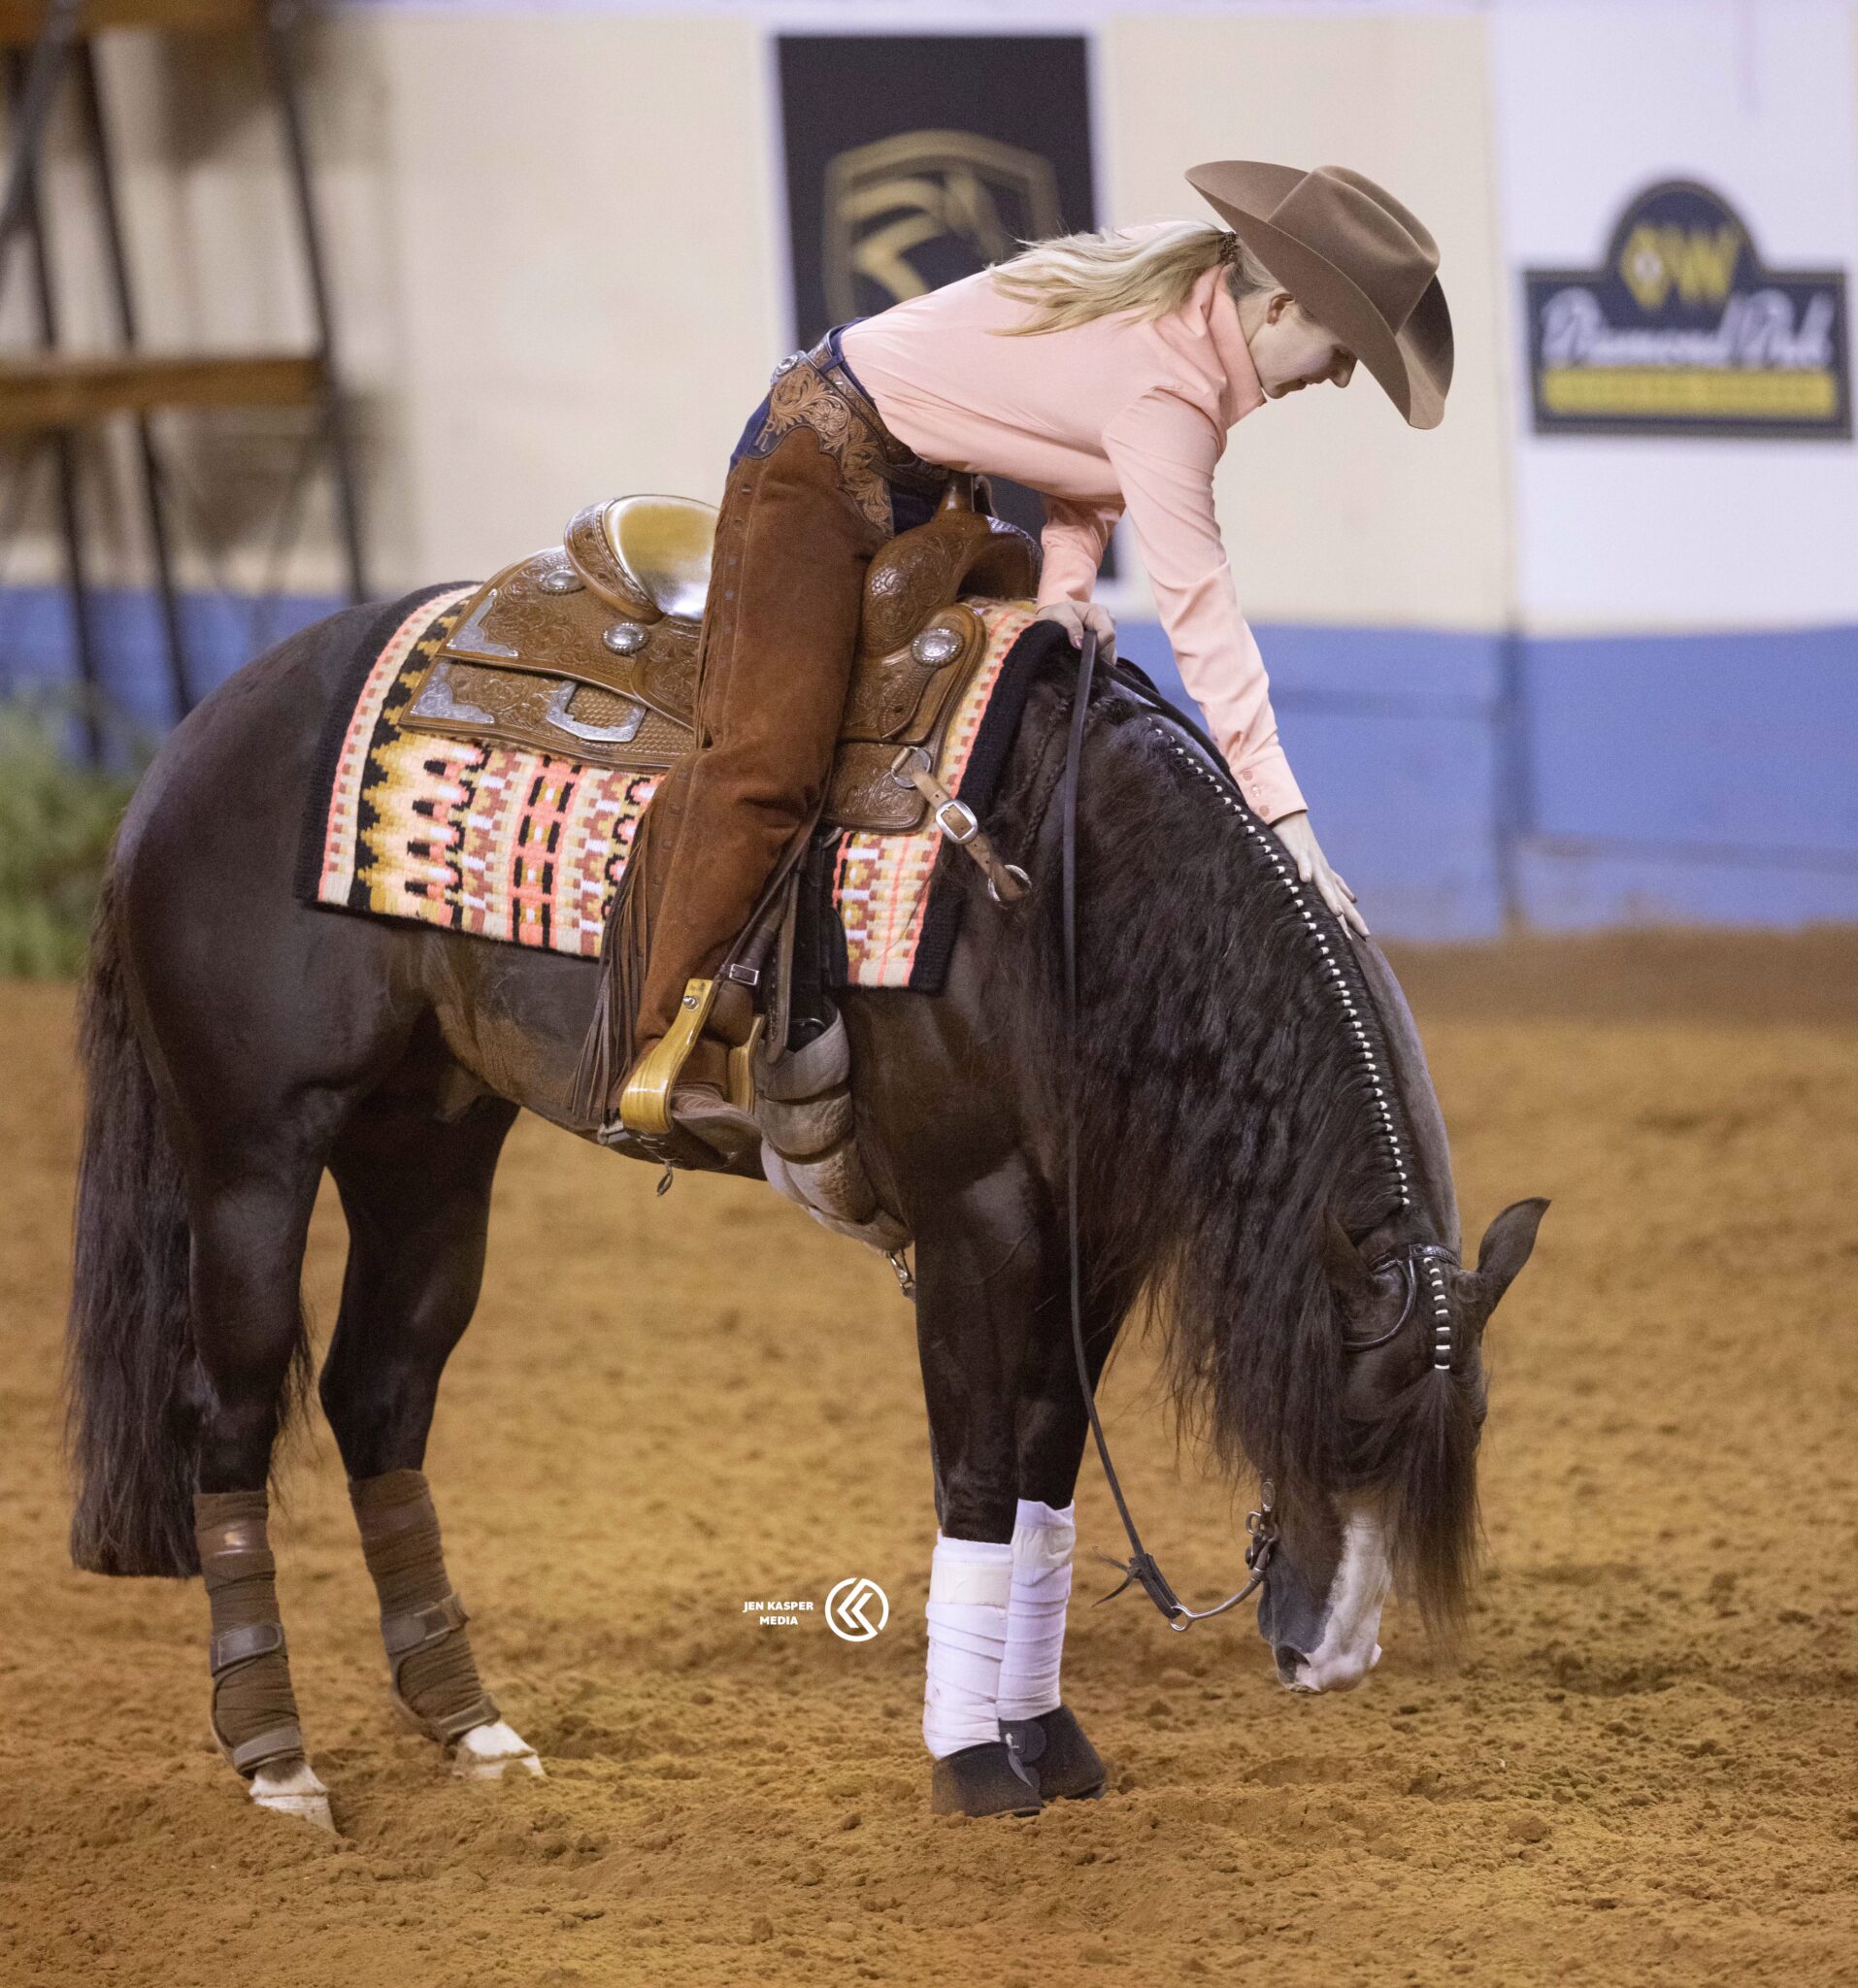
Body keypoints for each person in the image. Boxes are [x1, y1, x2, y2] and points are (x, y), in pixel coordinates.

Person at [609, 160, 1452, 1149]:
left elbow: (1079, 462)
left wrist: (1064, 594)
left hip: (934, 484)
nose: (1341, 375)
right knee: (769, 755)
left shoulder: (1181, 294)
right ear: (1284, 308)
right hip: (816, 463)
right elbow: (1203, 613)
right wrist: (1284, 810)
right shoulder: (1172, 389)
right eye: (1342, 347)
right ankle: (671, 1038)